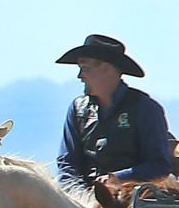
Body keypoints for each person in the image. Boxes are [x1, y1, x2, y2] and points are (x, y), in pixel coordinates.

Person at [55, 34, 170, 190]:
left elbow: (158, 166)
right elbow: (67, 162)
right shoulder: (77, 109)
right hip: (83, 200)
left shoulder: (144, 108)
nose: (80, 76)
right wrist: (79, 195)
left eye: (84, 68)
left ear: (106, 69)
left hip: (129, 201)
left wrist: (119, 178)